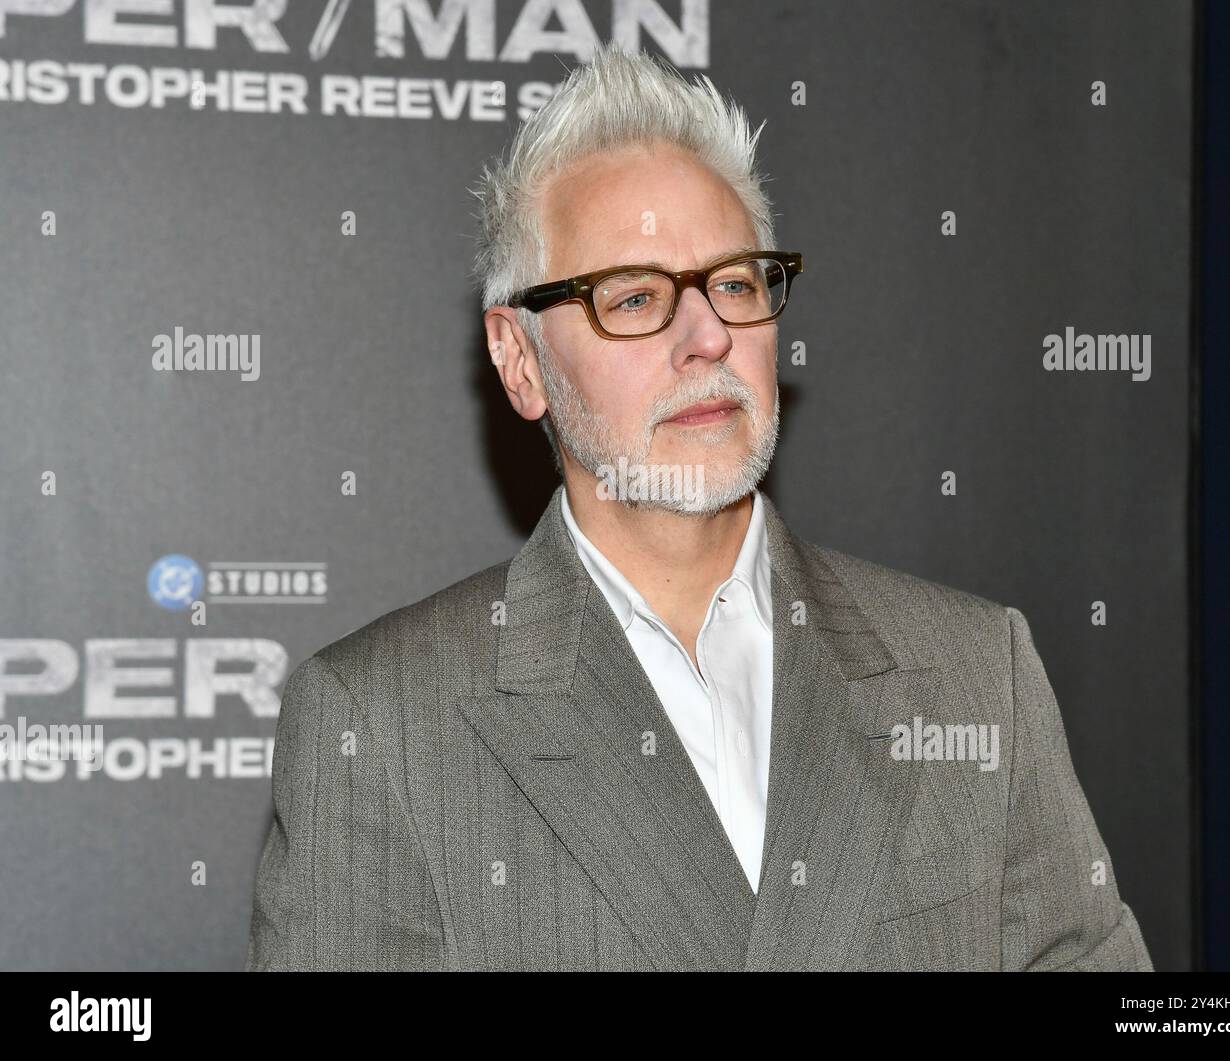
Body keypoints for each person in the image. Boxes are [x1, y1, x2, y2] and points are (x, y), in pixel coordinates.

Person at [245, 43, 1152, 971]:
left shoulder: (972, 673)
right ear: (521, 361)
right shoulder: (381, 724)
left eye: (734, 282)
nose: (708, 334)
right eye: (634, 297)